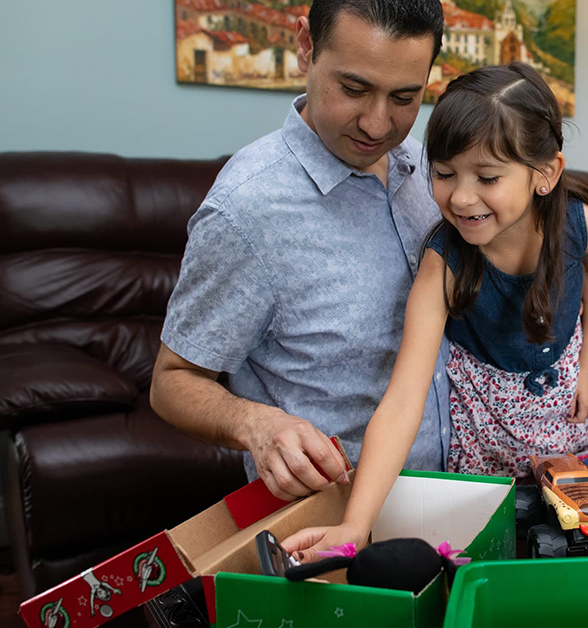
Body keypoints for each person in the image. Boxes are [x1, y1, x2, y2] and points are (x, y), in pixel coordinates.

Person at [283, 63, 588, 559]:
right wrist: (355, 524)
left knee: (580, 536)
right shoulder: (443, 264)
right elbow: (402, 401)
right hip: (484, 428)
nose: (460, 197)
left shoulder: (583, 224)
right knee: (498, 550)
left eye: (487, 177)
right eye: (443, 173)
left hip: (566, 406)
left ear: (545, 173)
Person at [150, 0, 450, 501]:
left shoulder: (427, 170)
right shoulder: (246, 209)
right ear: (306, 45)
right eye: (353, 89)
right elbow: (172, 381)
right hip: (329, 515)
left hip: (455, 497)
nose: (378, 125)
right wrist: (258, 425)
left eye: (404, 97)